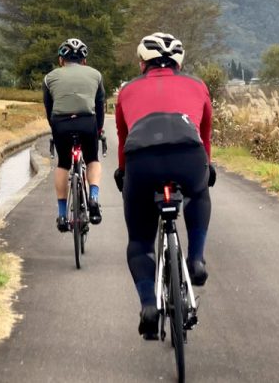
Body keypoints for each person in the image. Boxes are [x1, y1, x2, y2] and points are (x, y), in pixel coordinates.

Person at [114, 32, 216, 340]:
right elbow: (205, 133)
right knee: (199, 194)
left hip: (141, 161)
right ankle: (196, 259)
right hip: (188, 155)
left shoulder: (127, 90)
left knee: (140, 243)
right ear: (179, 61)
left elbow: (122, 137)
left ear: (142, 62)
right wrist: (206, 168)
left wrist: (123, 172)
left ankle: (148, 305)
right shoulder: (197, 85)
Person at [43, 38, 105, 232]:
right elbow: (100, 106)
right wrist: (98, 130)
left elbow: (49, 108)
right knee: (92, 159)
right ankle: (93, 197)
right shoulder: (96, 75)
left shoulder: (50, 77)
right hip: (87, 122)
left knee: (63, 163)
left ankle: (62, 215)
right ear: (84, 61)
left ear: (62, 60)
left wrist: (55, 129)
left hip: (61, 124)